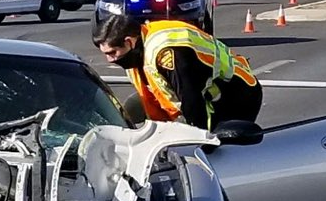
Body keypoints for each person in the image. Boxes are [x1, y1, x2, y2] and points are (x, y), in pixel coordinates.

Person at [92, 10, 262, 130]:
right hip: (206, 95)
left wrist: (200, 141)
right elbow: (154, 97)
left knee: (216, 151)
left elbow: (192, 103)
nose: (110, 60)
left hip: (236, 93)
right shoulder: (137, 52)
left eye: (112, 53)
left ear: (129, 42)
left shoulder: (167, 52)